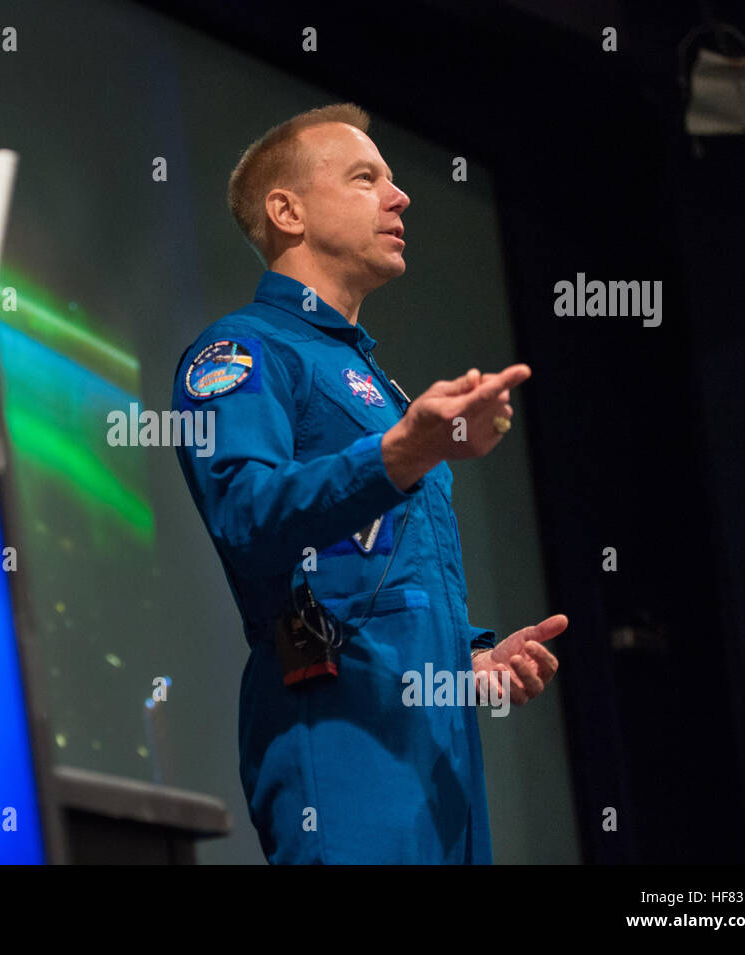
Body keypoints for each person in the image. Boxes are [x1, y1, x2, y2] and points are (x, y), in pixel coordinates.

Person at [171, 103, 565, 864]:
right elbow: (245, 514)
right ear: (287, 211)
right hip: (346, 747)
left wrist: (470, 662)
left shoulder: (371, 381)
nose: (400, 195)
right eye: (365, 177)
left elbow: (378, 582)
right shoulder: (241, 351)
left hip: (436, 757)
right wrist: (400, 453)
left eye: (391, 178)